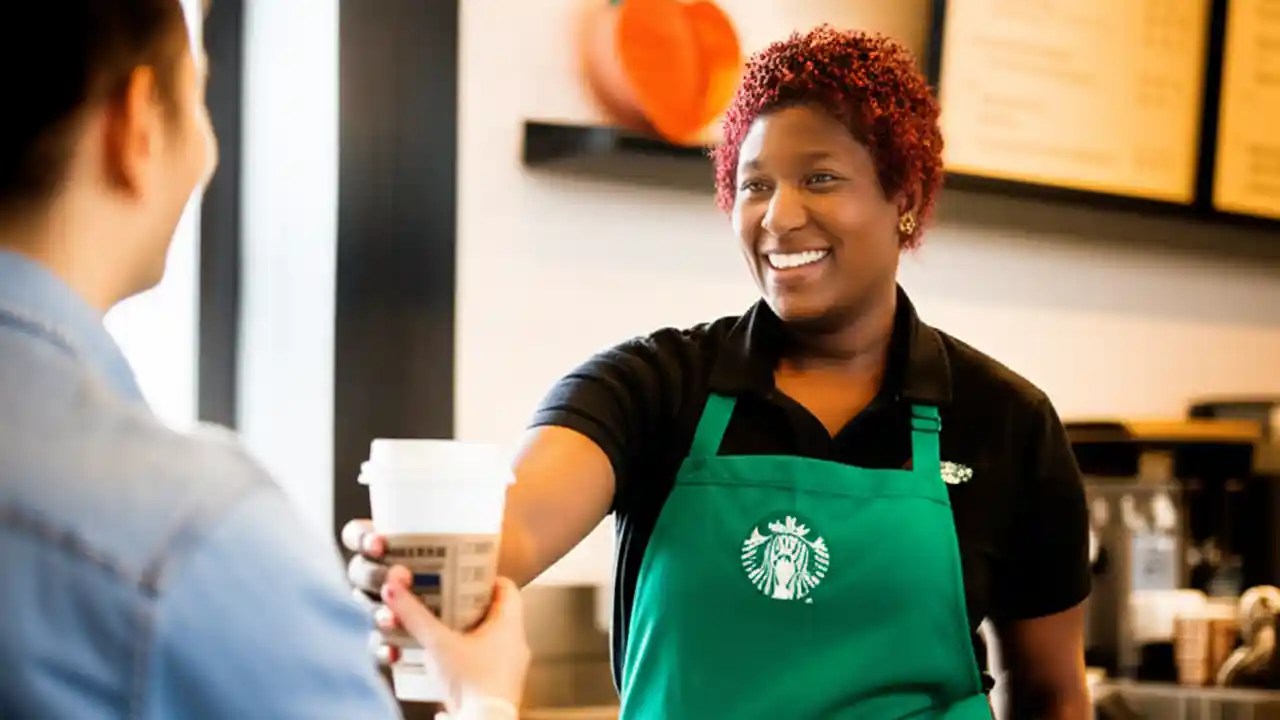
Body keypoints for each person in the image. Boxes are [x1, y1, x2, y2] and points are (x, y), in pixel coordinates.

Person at [350, 25, 1092, 719]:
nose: (778, 216)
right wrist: (426, 565)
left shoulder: (1005, 421)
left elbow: (1052, 694)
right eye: (754, 184)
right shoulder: (651, 386)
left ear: (905, 198)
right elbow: (516, 529)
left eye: (821, 178)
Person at [0, 2, 528, 718]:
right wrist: (485, 698)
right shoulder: (187, 535)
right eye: (199, 94)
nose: (209, 147)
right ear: (138, 125)